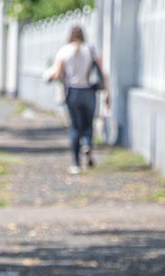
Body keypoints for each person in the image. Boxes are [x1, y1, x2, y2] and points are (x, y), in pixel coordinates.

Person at [46, 25, 109, 175]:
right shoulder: (91, 50)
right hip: (89, 91)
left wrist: (49, 77)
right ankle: (87, 143)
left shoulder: (64, 51)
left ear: (70, 36)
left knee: (75, 126)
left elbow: (58, 73)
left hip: (72, 92)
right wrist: (108, 94)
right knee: (88, 124)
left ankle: (75, 164)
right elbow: (102, 72)